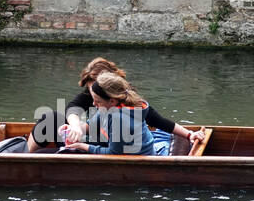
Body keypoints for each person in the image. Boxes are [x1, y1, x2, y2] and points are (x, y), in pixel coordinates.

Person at [26, 57, 205, 154]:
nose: (92, 96)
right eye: (91, 90)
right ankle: (26, 156)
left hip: (110, 144)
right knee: (50, 119)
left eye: (97, 90)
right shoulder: (93, 94)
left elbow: (158, 120)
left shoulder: (125, 100)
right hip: (96, 136)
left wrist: (189, 134)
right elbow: (73, 109)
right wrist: (75, 128)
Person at [64, 72, 156, 155]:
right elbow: (91, 127)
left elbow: (113, 153)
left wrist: (82, 146)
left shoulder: (120, 118)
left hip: (140, 161)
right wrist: (72, 129)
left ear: (112, 101)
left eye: (98, 101)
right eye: (94, 100)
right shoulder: (107, 108)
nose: (94, 104)